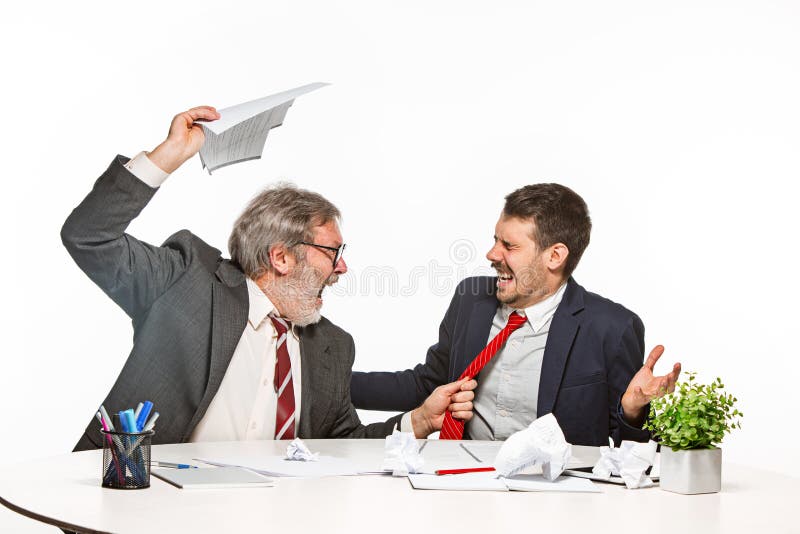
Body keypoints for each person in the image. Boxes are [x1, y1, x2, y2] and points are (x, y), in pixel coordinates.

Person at [63, 106, 457, 450]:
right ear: (281, 257)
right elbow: (90, 237)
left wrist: (418, 421)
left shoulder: (332, 347)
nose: (342, 268)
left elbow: (343, 446)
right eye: (333, 253)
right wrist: (167, 156)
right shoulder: (186, 284)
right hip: (145, 500)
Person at [351, 183, 681, 445]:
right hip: (463, 484)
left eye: (509, 246)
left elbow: (631, 454)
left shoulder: (611, 328)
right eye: (495, 240)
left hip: (557, 498)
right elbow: (428, 383)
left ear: (555, 256)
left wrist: (632, 413)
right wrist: (332, 386)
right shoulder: (471, 300)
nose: (491, 254)